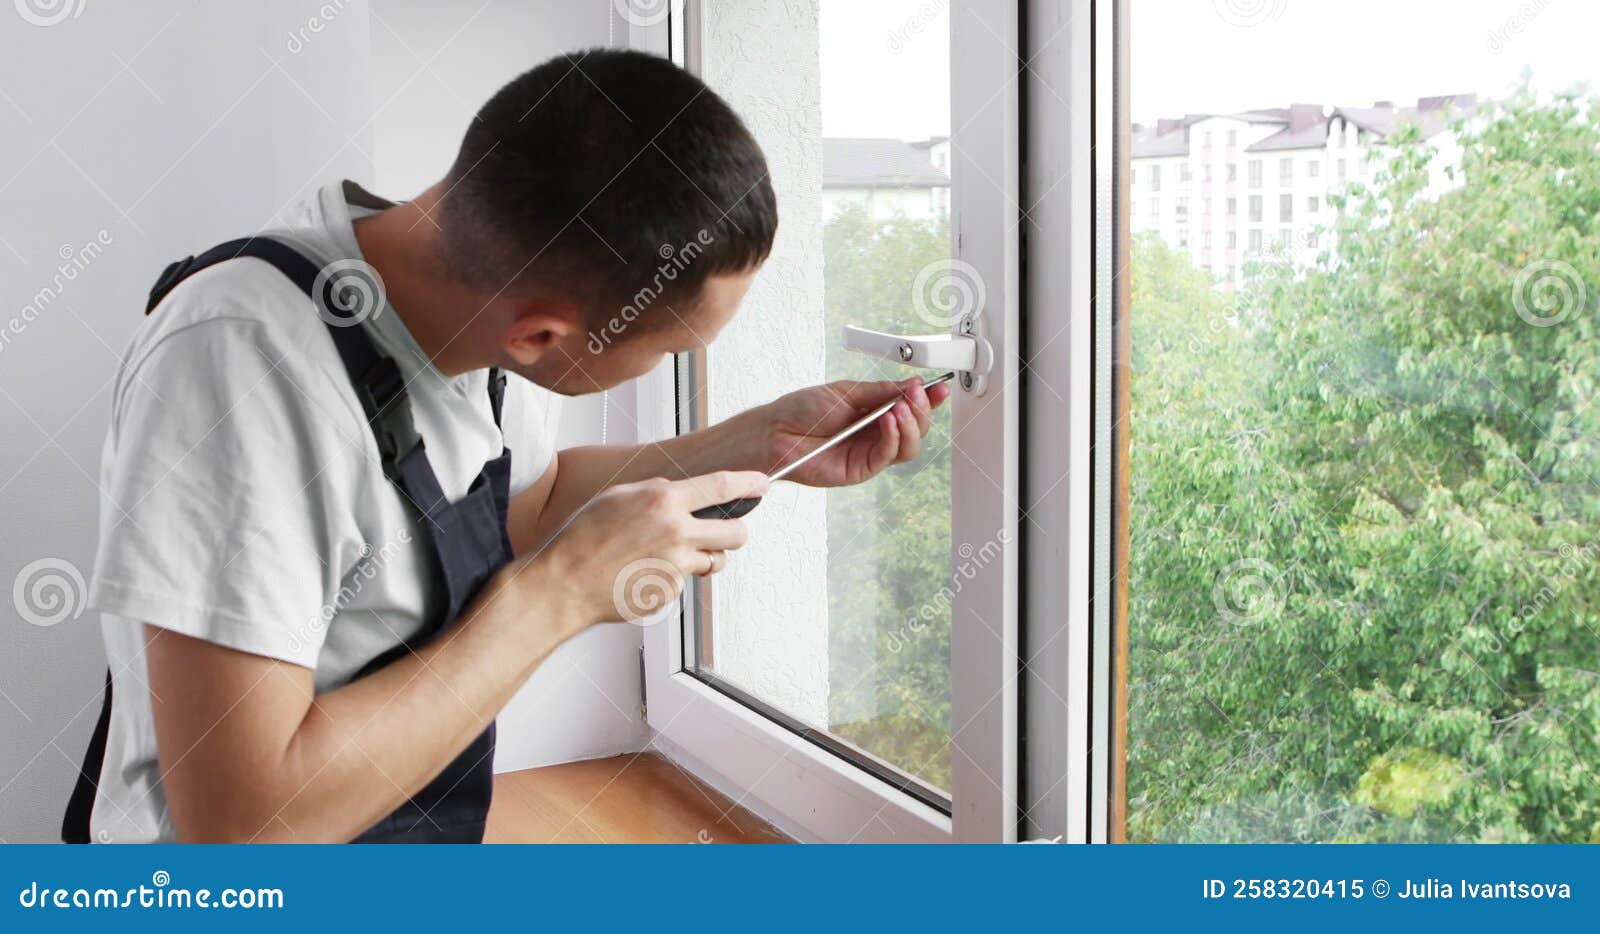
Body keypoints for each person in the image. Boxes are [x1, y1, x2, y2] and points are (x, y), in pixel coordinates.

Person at [65, 48, 948, 844]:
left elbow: (525, 504)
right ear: (540, 337)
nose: (687, 359)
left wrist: (761, 441)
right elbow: (242, 822)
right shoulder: (239, 367)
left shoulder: (476, 308)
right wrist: (561, 595)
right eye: (675, 348)